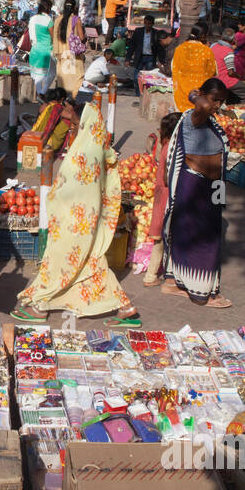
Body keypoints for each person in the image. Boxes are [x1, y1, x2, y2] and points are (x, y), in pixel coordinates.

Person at [13, 96, 140, 327]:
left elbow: (71, 187)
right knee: (90, 263)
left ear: (85, 122)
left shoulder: (85, 151)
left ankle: (41, 306)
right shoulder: (98, 144)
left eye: (75, 121)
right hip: (86, 220)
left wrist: (52, 198)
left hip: (74, 221)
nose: (71, 125)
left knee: (60, 260)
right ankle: (125, 307)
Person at [162, 77, 232, 308]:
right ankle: (202, 292)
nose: (216, 106)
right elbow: (201, 106)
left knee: (197, 233)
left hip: (211, 187)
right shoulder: (195, 116)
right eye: (214, 100)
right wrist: (194, 95)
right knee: (201, 237)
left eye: (221, 102)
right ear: (202, 96)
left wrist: (220, 198)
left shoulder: (210, 121)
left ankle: (175, 282)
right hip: (194, 184)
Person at [143, 112, 182, 287]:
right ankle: (162, 276)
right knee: (168, 235)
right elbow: (168, 177)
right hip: (167, 195)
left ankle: (151, 275)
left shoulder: (165, 145)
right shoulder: (172, 148)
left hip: (160, 195)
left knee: (159, 238)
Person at [169, 26, 218, 111]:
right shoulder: (207, 51)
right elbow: (212, 71)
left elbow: (173, 68)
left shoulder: (179, 49)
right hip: (199, 94)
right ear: (202, 36)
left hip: (181, 92)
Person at [28, 88, 82, 154]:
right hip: (46, 142)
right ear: (62, 100)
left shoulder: (43, 106)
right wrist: (71, 110)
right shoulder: (57, 107)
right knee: (68, 121)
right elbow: (77, 120)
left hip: (33, 135)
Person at [23, 0, 56, 97]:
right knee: (51, 74)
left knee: (37, 74)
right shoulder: (49, 20)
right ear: (48, 9)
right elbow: (53, 36)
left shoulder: (33, 18)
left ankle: (39, 93)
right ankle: (42, 92)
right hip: (46, 51)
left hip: (35, 50)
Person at [53, 0, 85, 94]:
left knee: (63, 82)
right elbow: (82, 38)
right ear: (75, 8)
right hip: (73, 56)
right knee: (77, 80)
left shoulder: (58, 19)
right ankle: (72, 101)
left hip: (61, 56)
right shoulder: (76, 19)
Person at [127, 14, 166, 79]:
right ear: (144, 23)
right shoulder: (138, 31)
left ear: (152, 24)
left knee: (149, 76)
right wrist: (127, 59)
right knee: (136, 76)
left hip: (150, 57)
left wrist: (161, 61)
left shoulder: (155, 33)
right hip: (140, 56)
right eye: (146, 23)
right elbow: (132, 45)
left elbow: (159, 49)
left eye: (149, 24)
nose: (147, 25)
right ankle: (137, 88)